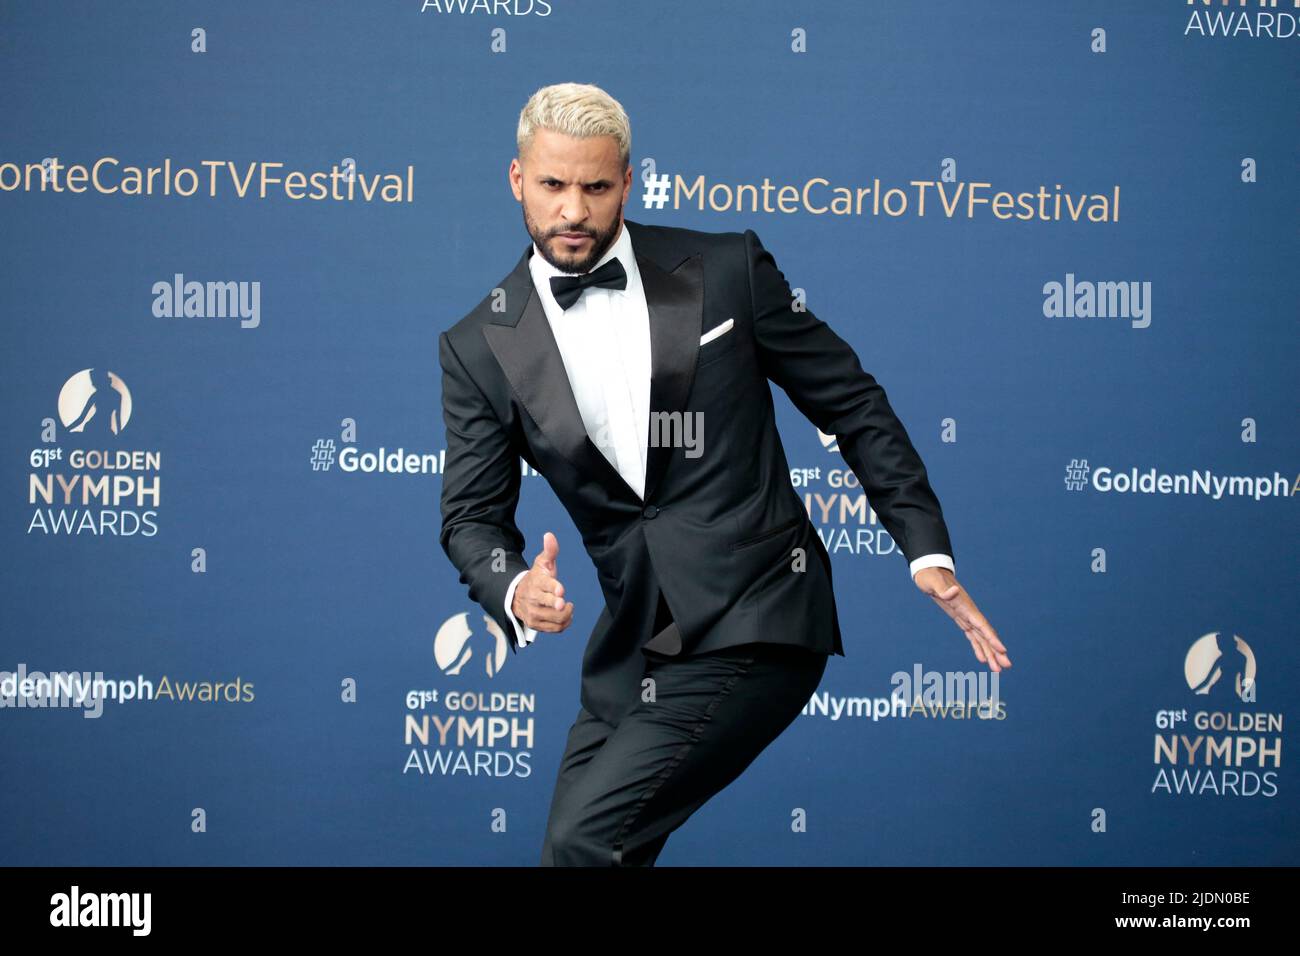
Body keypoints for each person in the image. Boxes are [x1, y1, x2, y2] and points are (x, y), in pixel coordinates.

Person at [438, 82, 1010, 866]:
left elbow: (851, 403)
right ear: (517, 179)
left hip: (756, 612)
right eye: (553, 185)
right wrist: (512, 587)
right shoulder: (478, 344)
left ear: (629, 182)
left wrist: (925, 548)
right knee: (572, 857)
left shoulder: (725, 268)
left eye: (596, 187)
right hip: (633, 643)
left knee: (586, 843)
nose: (573, 210)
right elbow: (471, 516)